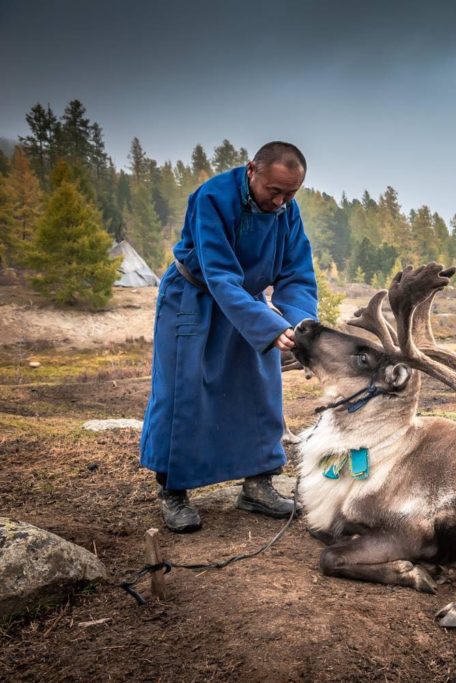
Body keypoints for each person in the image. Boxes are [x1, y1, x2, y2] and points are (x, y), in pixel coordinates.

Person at [140, 141, 318, 533]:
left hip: (245, 303)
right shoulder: (212, 198)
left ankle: (257, 484)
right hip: (193, 299)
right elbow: (219, 274)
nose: (281, 201)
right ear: (252, 170)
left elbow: (297, 274)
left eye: (290, 194)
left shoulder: (287, 211)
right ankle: (173, 491)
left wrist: (302, 326)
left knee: (260, 387)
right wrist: (269, 326)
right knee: (182, 391)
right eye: (274, 190)